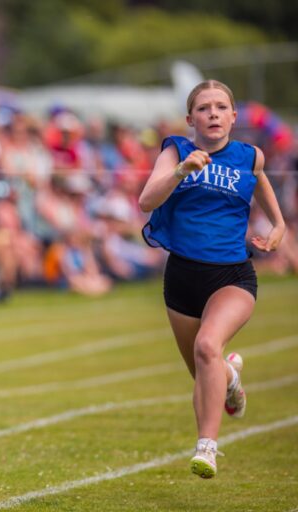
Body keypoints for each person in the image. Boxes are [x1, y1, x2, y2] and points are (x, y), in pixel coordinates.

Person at [138, 80, 286, 479]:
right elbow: (146, 200)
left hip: (232, 276)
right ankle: (232, 377)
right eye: (204, 108)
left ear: (234, 117)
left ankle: (207, 447)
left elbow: (260, 181)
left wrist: (278, 224)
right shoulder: (177, 150)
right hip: (182, 279)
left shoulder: (249, 155)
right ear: (191, 119)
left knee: (207, 346)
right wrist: (182, 171)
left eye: (221, 107)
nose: (214, 114)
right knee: (205, 375)